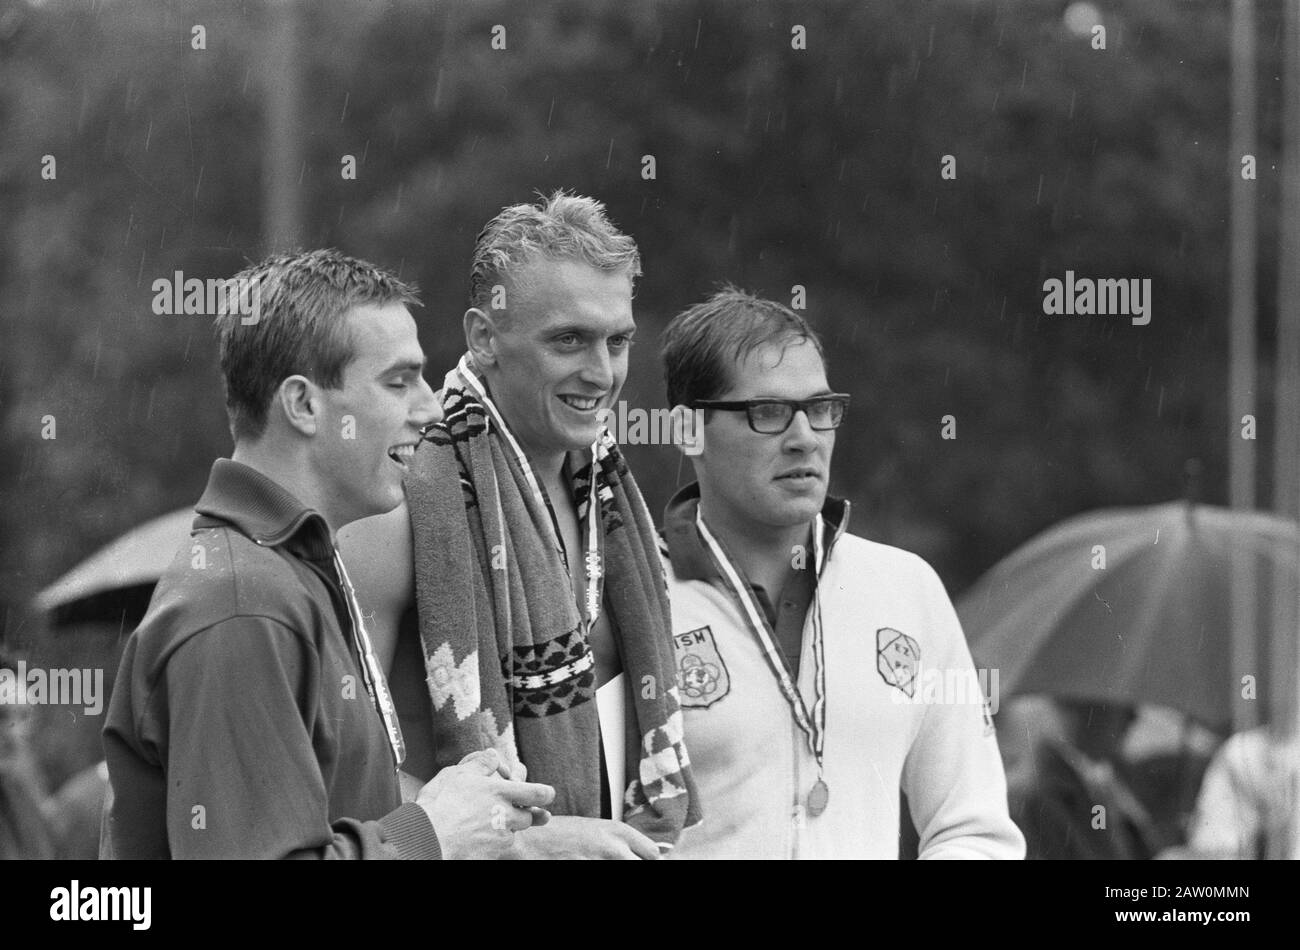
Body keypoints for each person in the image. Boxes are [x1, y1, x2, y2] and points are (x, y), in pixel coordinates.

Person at [101, 249, 555, 859]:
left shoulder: (291, 572)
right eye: (399, 381)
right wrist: (432, 834)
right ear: (304, 405)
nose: (430, 408)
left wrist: (523, 840)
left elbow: (332, 818)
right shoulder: (245, 604)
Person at [340, 192, 698, 859]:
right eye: (568, 340)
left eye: (617, 341)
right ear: (484, 336)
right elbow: (336, 760)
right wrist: (528, 841)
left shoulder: (613, 502)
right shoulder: (397, 505)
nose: (601, 373)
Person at [656, 288, 1024, 859]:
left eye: (821, 409)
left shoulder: (907, 589)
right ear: (687, 429)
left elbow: (974, 829)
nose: (805, 437)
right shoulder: (630, 598)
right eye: (769, 412)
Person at [1007, 699, 1160, 859]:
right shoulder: (1033, 793)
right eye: (1121, 701)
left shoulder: (1103, 783)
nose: (1134, 717)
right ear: (1082, 704)